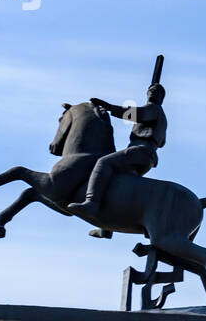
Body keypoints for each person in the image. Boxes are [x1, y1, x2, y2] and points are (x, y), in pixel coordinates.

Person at [67, 83, 168, 219]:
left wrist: (110, 107)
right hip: (148, 157)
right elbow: (162, 143)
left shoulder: (153, 109)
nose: (151, 93)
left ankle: (91, 203)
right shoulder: (162, 117)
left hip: (140, 151)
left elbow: (136, 114)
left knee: (103, 162)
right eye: (150, 90)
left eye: (156, 91)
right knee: (116, 181)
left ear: (161, 97)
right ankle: (106, 227)